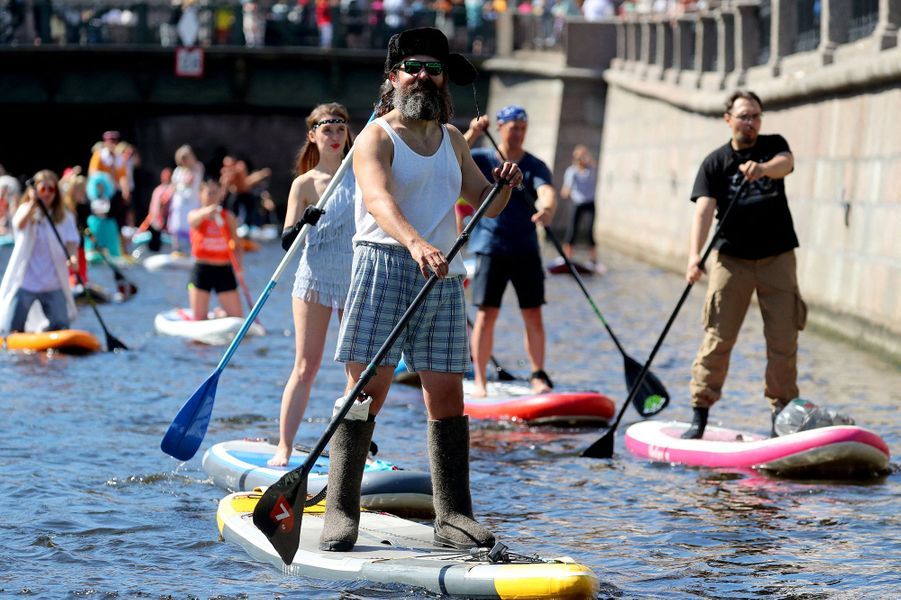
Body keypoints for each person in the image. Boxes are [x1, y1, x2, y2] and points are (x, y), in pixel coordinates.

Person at [322, 27, 522, 553]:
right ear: (394, 78)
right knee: (367, 391)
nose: (424, 77)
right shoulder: (376, 137)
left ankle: (452, 514)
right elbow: (378, 200)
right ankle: (341, 510)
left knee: (447, 394)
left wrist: (503, 186)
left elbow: (484, 203)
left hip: (443, 274)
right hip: (385, 263)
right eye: (413, 68)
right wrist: (415, 243)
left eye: (434, 69)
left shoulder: (453, 139)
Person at [682, 90, 806, 440]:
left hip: (777, 258)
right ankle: (700, 412)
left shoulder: (773, 146)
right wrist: (694, 257)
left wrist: (762, 169)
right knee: (718, 338)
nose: (750, 122)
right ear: (728, 120)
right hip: (731, 260)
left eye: (755, 116)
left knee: (782, 340)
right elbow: (704, 211)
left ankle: (781, 415)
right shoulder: (715, 163)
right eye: (743, 116)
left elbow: (785, 164)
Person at [268, 102, 355, 467]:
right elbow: (286, 240)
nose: (334, 136)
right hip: (314, 276)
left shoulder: (362, 171)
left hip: (353, 274)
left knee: (358, 369)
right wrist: (304, 220)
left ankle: (350, 445)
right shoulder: (303, 184)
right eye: (327, 129)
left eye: (340, 129)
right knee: (306, 366)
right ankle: (284, 447)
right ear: (313, 135)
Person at [463, 105, 556, 397]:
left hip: (525, 247)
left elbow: (546, 191)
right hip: (490, 246)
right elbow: (452, 156)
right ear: (500, 128)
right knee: (486, 314)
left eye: (522, 128)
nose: (518, 133)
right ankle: (480, 381)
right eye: (513, 127)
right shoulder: (481, 158)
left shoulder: (534, 165)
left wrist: (547, 210)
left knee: (533, 314)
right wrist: (473, 132)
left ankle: (538, 375)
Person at [0, 170, 79, 334]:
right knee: (11, 328)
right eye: (43, 189)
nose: (47, 193)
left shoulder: (65, 216)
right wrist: (32, 203)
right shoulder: (25, 210)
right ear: (35, 190)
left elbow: (72, 242)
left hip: (53, 283)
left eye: (51, 189)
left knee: (62, 325)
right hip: (26, 282)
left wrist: (73, 258)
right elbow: (19, 225)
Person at [186, 179, 243, 321]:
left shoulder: (228, 217)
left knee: (237, 317)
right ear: (201, 194)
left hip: (224, 269)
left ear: (220, 194)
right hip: (202, 269)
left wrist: (239, 266)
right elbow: (192, 221)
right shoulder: (195, 214)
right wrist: (207, 212)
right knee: (199, 317)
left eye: (215, 193)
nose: (212, 196)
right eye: (209, 193)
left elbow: (238, 244)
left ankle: (220, 314)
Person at [560, 144, 599, 266]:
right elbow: (567, 187)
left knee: (589, 231)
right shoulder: (572, 171)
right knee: (572, 230)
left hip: (590, 203)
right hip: (577, 203)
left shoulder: (591, 169)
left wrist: (587, 158)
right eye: (579, 156)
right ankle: (567, 257)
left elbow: (593, 163)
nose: (581, 159)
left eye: (583, 156)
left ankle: (594, 260)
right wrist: (566, 191)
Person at [169, 144, 204, 254]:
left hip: (192, 203)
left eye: (186, 157)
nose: (184, 160)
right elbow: (174, 185)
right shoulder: (178, 171)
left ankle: (193, 249)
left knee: (192, 226)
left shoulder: (197, 168)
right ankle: (177, 249)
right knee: (177, 227)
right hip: (179, 203)